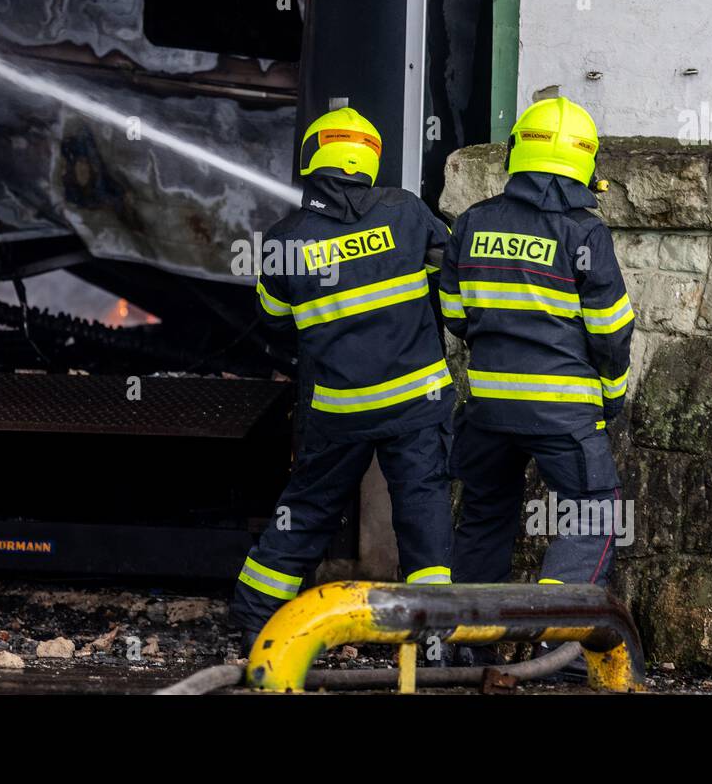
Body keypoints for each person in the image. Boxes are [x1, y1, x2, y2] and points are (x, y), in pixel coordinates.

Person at [229, 105, 455, 652]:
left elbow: (274, 316)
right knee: (423, 512)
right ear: (370, 161)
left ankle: (256, 622)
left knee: (306, 509)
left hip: (337, 409)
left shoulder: (286, 239)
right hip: (416, 404)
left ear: (311, 161)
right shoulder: (406, 212)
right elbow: (450, 276)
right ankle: (436, 641)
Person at [440, 96, 633, 593]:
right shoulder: (584, 231)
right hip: (563, 411)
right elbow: (610, 330)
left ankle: (467, 644)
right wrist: (611, 393)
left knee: (484, 514)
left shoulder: (472, 221)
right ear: (586, 165)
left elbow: (456, 316)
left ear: (515, 155)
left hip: (488, 410)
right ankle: (559, 643)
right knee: (592, 511)